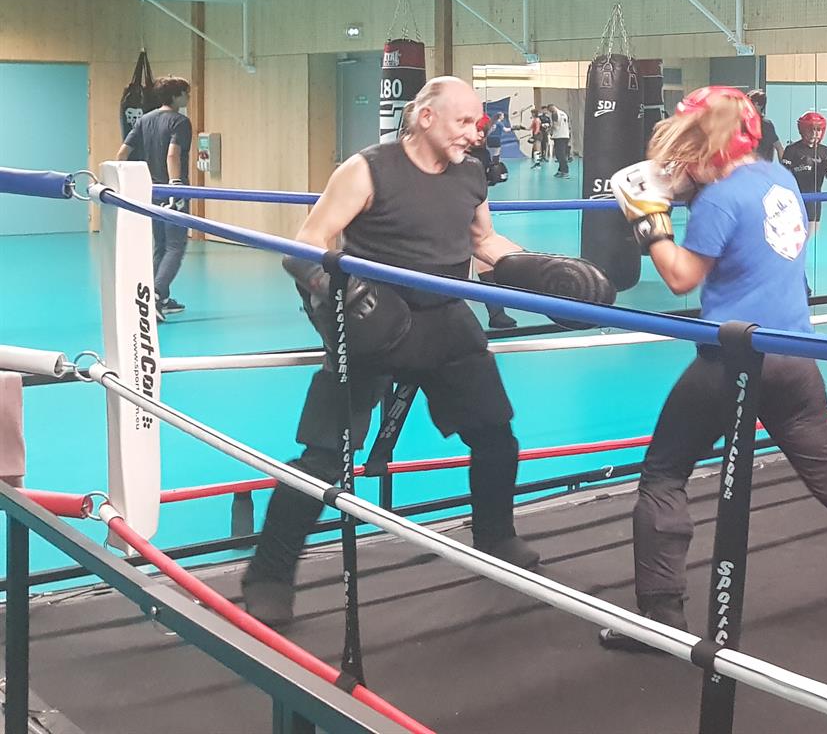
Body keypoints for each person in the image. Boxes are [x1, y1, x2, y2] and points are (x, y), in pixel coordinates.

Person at [600, 86, 827, 652]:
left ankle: (662, 619)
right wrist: (687, 187)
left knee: (663, 474)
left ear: (706, 141)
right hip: (796, 360)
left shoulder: (720, 201)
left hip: (735, 365)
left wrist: (650, 222)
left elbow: (680, 277)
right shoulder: (779, 178)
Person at [240, 77, 614, 626]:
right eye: (464, 122)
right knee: (324, 460)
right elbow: (308, 240)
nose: (475, 132)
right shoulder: (368, 169)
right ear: (426, 118)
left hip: (445, 316)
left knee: (495, 435)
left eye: (478, 123)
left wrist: (541, 270)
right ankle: (268, 575)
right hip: (374, 320)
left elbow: (484, 243)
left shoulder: (471, 174)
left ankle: (496, 538)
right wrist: (338, 290)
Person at [116, 76, 193, 320]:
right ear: (176, 96)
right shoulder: (180, 122)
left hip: (149, 192)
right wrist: (176, 186)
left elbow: (122, 153)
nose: (188, 97)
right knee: (175, 246)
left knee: (160, 244)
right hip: (172, 192)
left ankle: (160, 296)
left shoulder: (143, 120)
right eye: (185, 93)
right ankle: (156, 297)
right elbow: (173, 155)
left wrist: (121, 183)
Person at [472, 118, 517, 331]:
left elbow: (483, 182)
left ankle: (497, 314)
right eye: (477, 130)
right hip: (451, 210)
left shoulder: (482, 153)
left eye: (484, 132)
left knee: (485, 260)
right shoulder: (453, 154)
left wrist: (493, 175)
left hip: (475, 207)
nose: (481, 136)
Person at [780, 111, 827, 238]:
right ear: (802, 130)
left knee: (811, 234)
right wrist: (799, 169)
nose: (814, 133)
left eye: (818, 130)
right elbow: (783, 173)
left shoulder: (824, 150)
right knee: (794, 235)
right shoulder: (792, 149)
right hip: (796, 197)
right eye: (810, 129)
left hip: (815, 198)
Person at [747, 88, 780, 163]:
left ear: (760, 105)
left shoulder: (766, 125)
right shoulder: (745, 122)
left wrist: (784, 170)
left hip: (762, 168)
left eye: (751, 103)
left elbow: (779, 148)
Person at [549, 104, 572, 179]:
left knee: (560, 155)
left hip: (559, 136)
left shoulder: (554, 113)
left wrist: (549, 130)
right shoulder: (564, 113)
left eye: (550, 110)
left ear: (551, 108)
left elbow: (555, 126)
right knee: (561, 154)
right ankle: (560, 170)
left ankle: (565, 171)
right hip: (565, 135)